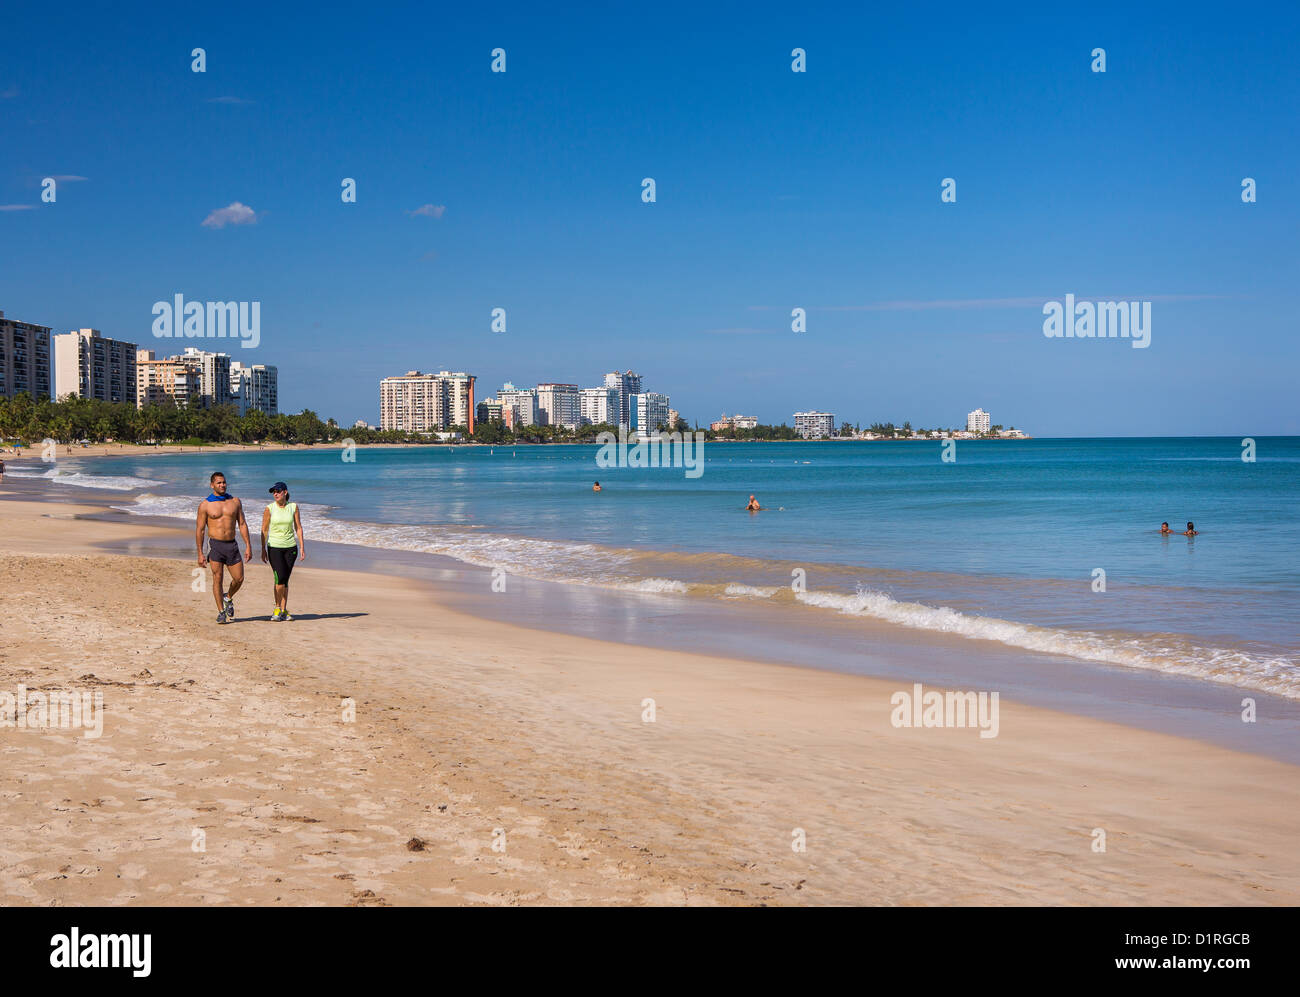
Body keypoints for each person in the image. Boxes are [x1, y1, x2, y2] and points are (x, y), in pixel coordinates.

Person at [196, 471, 252, 624]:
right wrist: (200, 553)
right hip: (215, 545)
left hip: (231, 545)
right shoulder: (205, 505)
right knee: (217, 578)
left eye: (224, 482)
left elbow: (242, 524)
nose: (222, 485)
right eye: (219, 483)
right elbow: (200, 530)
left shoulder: (235, 502)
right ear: (212, 485)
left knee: (239, 578)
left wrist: (248, 545)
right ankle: (221, 611)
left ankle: (228, 597)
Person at [261, 481, 304, 621]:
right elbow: (264, 529)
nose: (275, 494)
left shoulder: (293, 507)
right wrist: (263, 549)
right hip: (274, 547)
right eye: (274, 492)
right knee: (279, 579)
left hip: (291, 547)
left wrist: (302, 547)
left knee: (285, 580)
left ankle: (284, 610)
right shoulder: (269, 508)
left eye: (278, 491)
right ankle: (277, 608)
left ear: (285, 492)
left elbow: (298, 527)